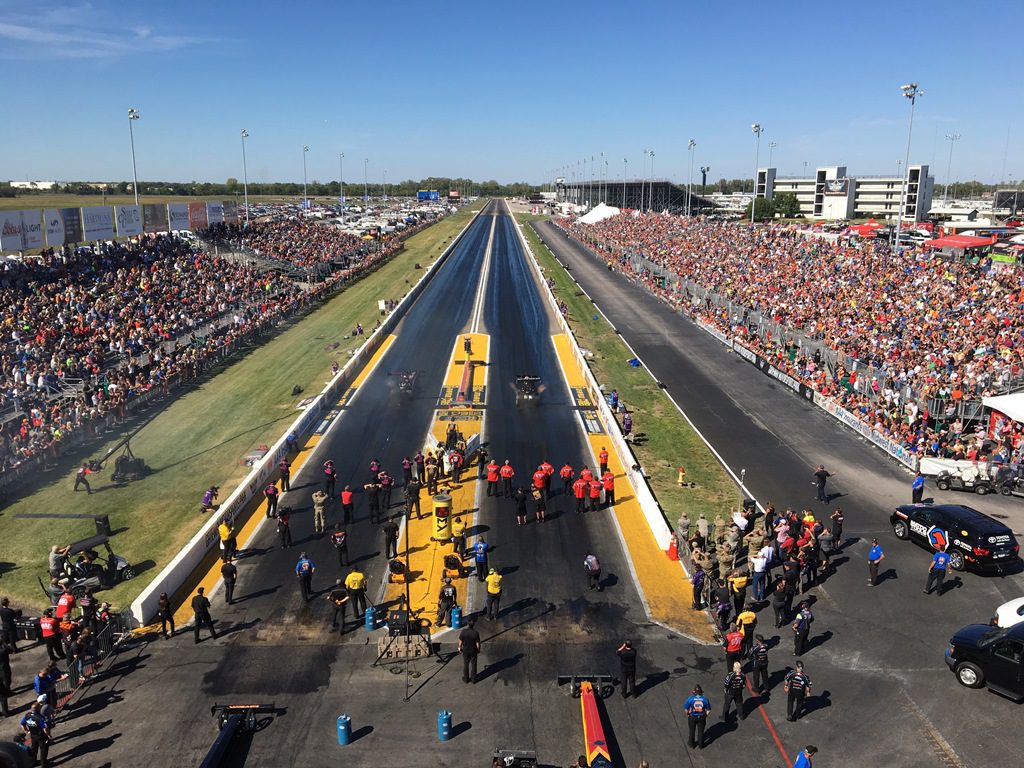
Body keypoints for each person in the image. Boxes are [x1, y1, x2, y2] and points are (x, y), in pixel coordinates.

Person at [20, 701, 51, 767]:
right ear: (38, 709)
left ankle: (33, 762)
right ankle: (44, 764)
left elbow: (22, 723)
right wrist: (48, 735)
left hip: (33, 736)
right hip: (42, 736)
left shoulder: (27, 715)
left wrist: (26, 730)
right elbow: (45, 728)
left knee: (34, 749)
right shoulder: (40, 718)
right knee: (43, 750)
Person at [684, 684, 710, 749]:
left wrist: (688, 715)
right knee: (701, 731)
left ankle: (691, 744)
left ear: (694, 692)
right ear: (701, 692)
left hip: (692, 717)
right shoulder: (705, 699)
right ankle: (700, 745)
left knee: (692, 731)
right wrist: (705, 715)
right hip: (701, 717)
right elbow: (708, 710)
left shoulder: (690, 699)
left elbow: (686, 709)